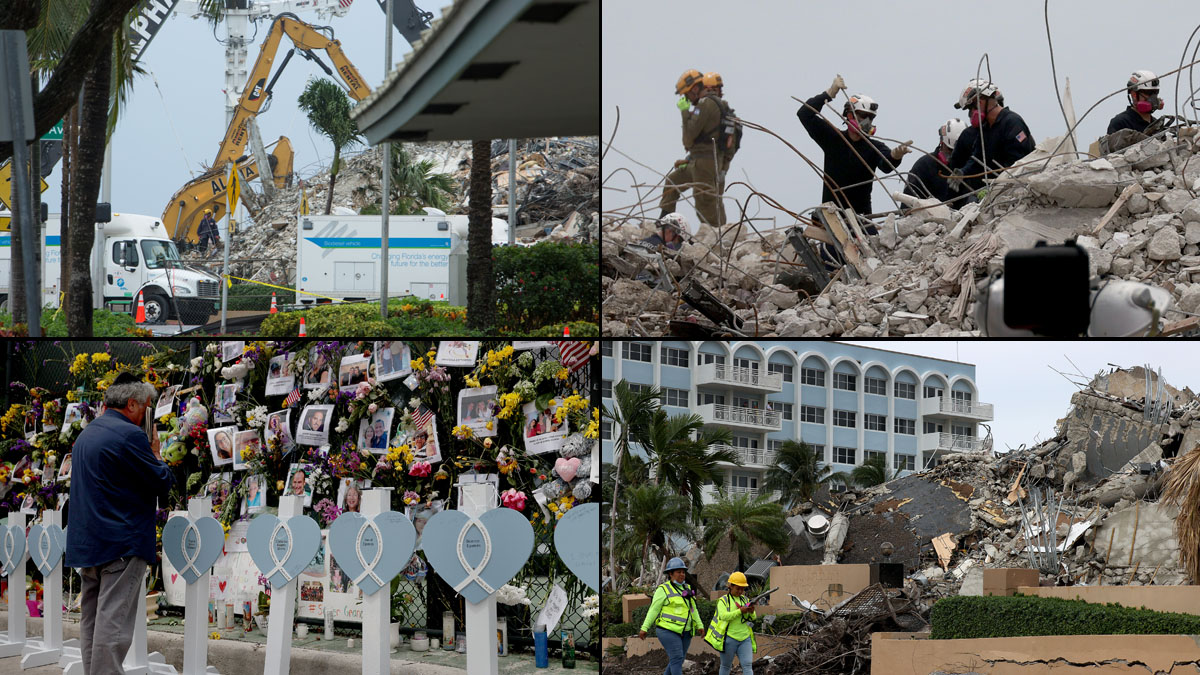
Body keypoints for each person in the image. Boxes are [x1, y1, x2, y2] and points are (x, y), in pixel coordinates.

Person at [65, 376, 173, 675]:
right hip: (121, 544)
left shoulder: (87, 434)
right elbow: (162, 482)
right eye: (147, 409)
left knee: (93, 623)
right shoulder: (129, 435)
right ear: (132, 404)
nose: (146, 416)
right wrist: (155, 451)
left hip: (89, 543)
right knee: (112, 629)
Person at [797, 75, 911, 231]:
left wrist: (895, 156)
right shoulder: (833, 139)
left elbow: (886, 165)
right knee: (829, 253)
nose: (868, 121)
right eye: (864, 116)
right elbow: (804, 114)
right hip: (832, 217)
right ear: (849, 115)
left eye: (871, 117)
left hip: (861, 219)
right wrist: (829, 94)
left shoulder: (873, 146)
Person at [659, 69, 727, 229]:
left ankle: (717, 235)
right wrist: (689, 159)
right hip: (698, 160)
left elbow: (689, 137)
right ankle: (664, 224)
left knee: (705, 201)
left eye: (686, 94)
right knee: (673, 182)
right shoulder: (710, 104)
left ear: (695, 89)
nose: (686, 98)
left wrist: (684, 112)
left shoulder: (706, 104)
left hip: (705, 163)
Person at [948, 79, 1036, 193]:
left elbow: (1017, 164)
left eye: (971, 108)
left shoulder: (1012, 123)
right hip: (997, 189)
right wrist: (963, 172)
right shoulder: (986, 128)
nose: (971, 114)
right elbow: (978, 157)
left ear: (979, 102)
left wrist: (995, 187)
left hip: (1020, 188)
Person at [638, 557, 704, 675]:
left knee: (678, 660)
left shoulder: (687, 588)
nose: (682, 574)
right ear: (670, 573)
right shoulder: (663, 589)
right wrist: (645, 628)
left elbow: (693, 609)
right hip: (668, 630)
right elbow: (654, 610)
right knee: (677, 658)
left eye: (683, 572)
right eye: (678, 572)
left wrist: (700, 625)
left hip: (686, 631)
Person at [903, 119, 974, 206]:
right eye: (950, 150)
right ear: (941, 142)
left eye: (960, 150)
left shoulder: (970, 168)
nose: (955, 155)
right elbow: (907, 203)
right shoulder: (924, 166)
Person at [706, 572, 758, 675]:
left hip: (744, 638)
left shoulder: (745, 600)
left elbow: (753, 617)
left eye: (742, 589)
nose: (740, 591)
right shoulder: (723, 601)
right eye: (738, 588)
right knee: (726, 666)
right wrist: (740, 611)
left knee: (747, 665)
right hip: (729, 639)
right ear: (731, 587)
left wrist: (751, 612)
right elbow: (724, 616)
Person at [1108, 70, 1164, 135]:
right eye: (1148, 93)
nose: (1153, 97)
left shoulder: (1157, 125)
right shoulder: (1121, 122)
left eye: (1155, 92)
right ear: (1134, 94)